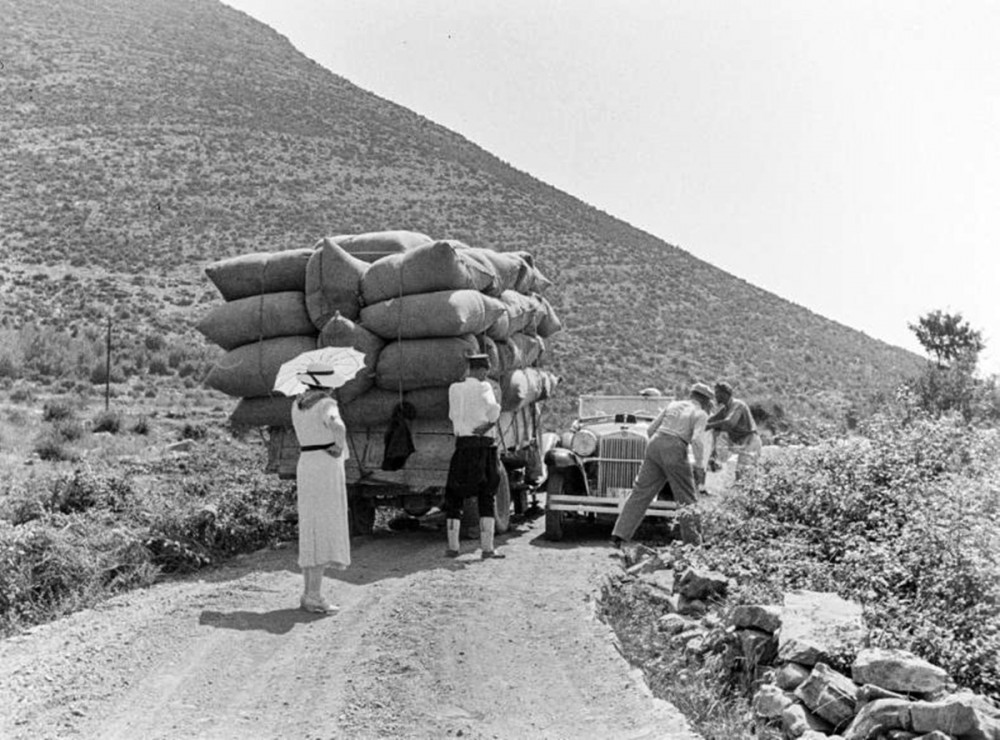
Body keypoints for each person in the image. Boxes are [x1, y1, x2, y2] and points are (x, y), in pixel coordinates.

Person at [610, 382, 715, 546]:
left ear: (692, 395)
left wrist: (658, 449)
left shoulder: (673, 405)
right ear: (706, 401)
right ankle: (694, 542)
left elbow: (651, 430)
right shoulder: (700, 413)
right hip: (675, 446)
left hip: (655, 442)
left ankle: (619, 534)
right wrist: (700, 466)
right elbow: (696, 440)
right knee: (687, 497)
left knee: (641, 492)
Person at [291, 361, 351, 614]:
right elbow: (338, 425)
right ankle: (314, 595)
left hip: (306, 463)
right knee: (325, 523)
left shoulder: (297, 404)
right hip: (325, 464)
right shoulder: (326, 404)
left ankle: (308, 592)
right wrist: (338, 445)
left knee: (311, 525)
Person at [444, 353, 504, 559]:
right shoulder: (485, 387)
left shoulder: (454, 388)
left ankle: (453, 547)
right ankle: (487, 548)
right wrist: (488, 424)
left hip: (462, 447)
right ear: (481, 369)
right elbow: (494, 412)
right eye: (486, 370)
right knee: (487, 495)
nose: (486, 374)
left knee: (454, 495)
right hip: (483, 447)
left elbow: (452, 416)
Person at [705, 380, 761, 480]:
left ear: (725, 394)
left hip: (750, 441)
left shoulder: (738, 405)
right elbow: (709, 420)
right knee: (740, 473)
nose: (716, 396)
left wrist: (709, 426)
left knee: (743, 472)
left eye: (717, 393)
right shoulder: (725, 409)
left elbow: (730, 423)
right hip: (739, 442)